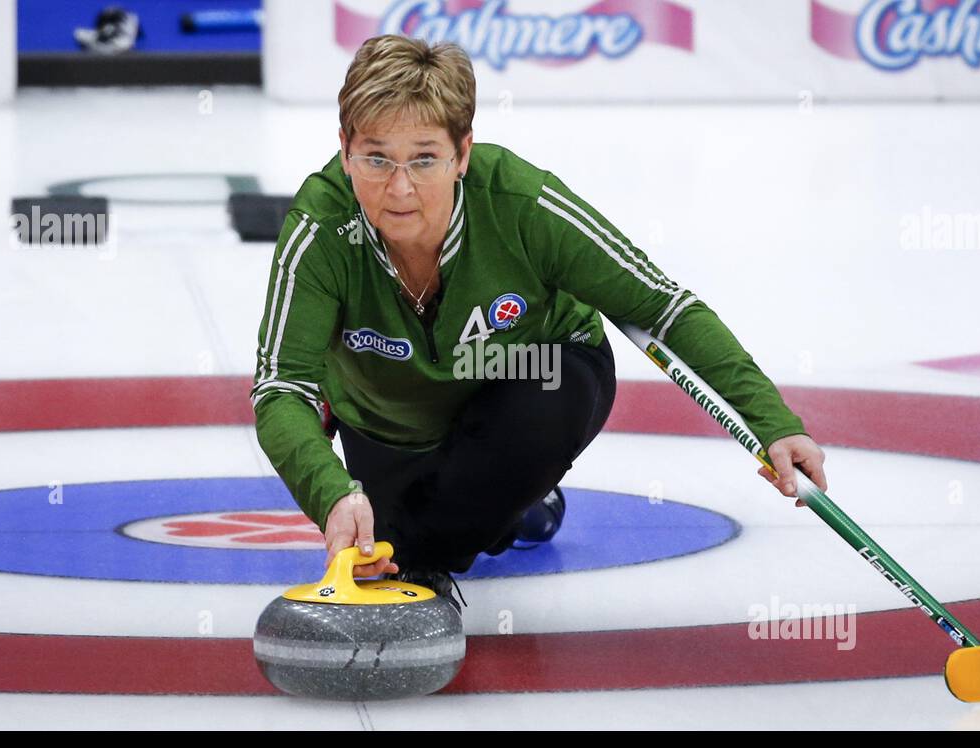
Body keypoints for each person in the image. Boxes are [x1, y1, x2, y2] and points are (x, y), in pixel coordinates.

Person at [251, 34, 828, 611]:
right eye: (375, 158)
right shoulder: (321, 226)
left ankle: (479, 514)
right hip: (391, 418)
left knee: (419, 539)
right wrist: (334, 496)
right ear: (344, 149)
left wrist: (772, 421)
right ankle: (518, 502)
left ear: (463, 154)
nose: (399, 187)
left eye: (424, 158)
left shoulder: (521, 201)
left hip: (529, 373)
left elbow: (663, 305)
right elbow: (281, 386)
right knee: (413, 518)